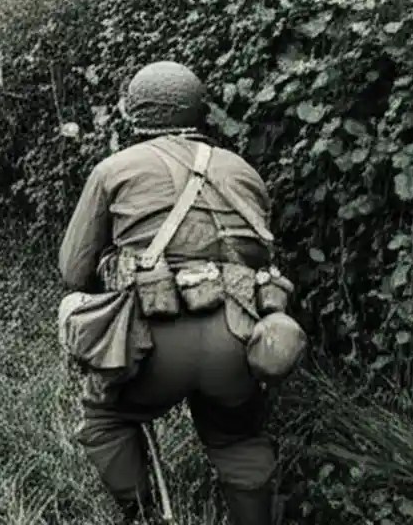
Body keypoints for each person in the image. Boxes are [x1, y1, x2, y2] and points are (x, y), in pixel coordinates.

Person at [57, 61, 303, 525]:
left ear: (136, 111)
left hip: (154, 339)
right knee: (239, 440)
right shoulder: (244, 170)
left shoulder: (115, 168)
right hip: (240, 337)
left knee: (105, 419)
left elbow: (73, 270)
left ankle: (144, 512)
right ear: (197, 109)